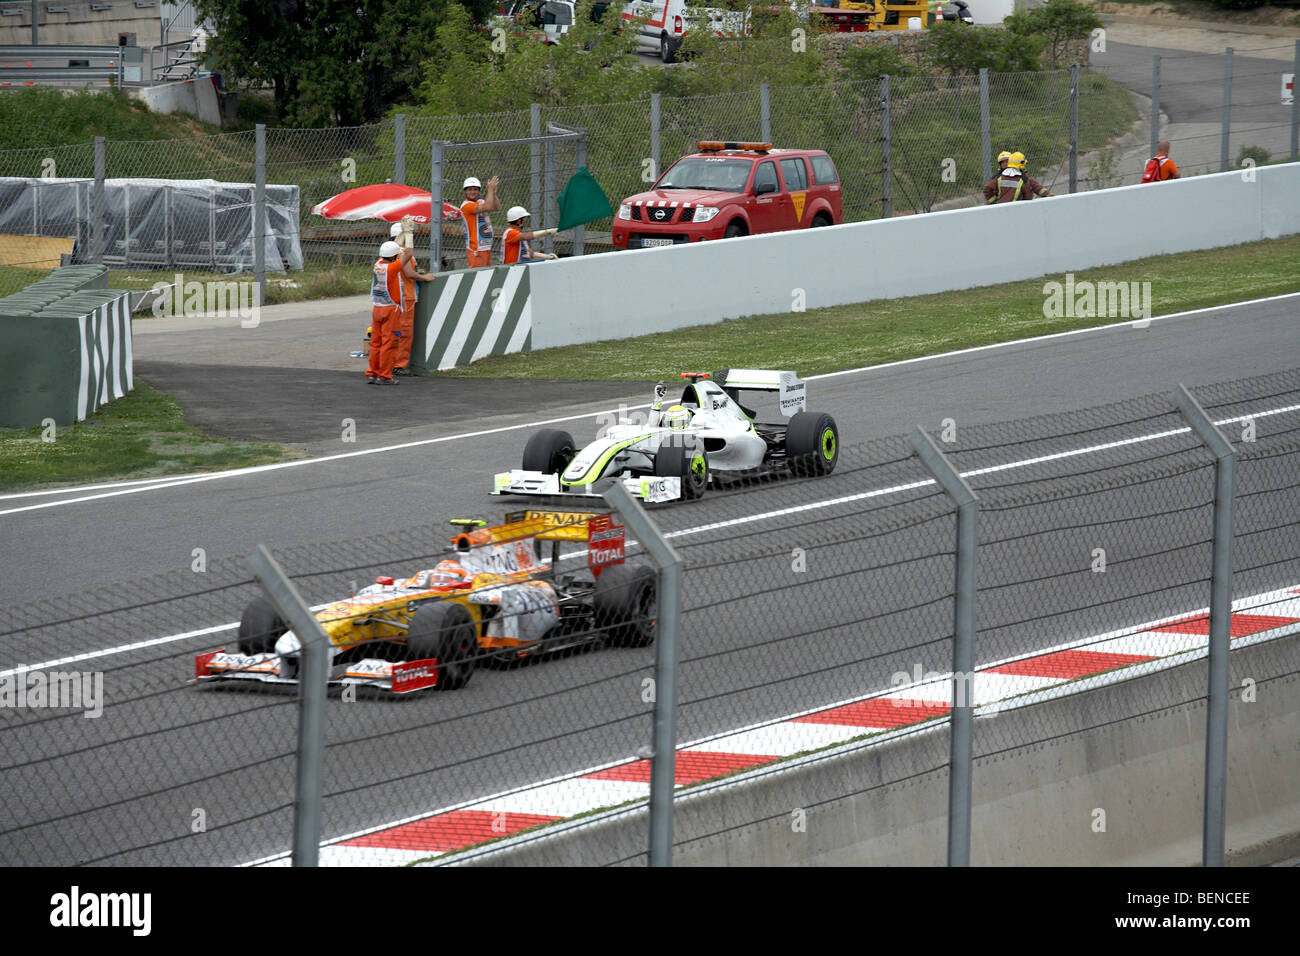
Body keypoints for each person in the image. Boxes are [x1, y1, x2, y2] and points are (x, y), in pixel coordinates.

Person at [387, 219, 435, 375]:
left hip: (397, 297)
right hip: (405, 297)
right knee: (405, 332)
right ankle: (399, 365)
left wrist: (416, 272)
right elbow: (408, 273)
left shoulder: (390, 253)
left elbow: (406, 270)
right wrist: (424, 278)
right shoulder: (401, 252)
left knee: (395, 331)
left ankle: (391, 362)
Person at [366, 240, 405, 385]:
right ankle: (385, 375)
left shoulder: (378, 264)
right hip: (390, 310)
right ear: (395, 256)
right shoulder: (393, 267)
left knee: (375, 342)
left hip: (377, 308)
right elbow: (408, 255)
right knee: (389, 343)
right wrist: (408, 236)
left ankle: (373, 373)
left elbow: (392, 253)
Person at [460, 175, 501, 268]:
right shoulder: (466, 205)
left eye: (475, 189)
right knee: (478, 278)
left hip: (485, 247)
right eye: (469, 189)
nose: (472, 192)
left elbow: (496, 207)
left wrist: (493, 193)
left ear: (478, 191)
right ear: (465, 191)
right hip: (476, 249)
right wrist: (490, 190)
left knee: (486, 276)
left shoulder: (480, 202)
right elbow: (488, 206)